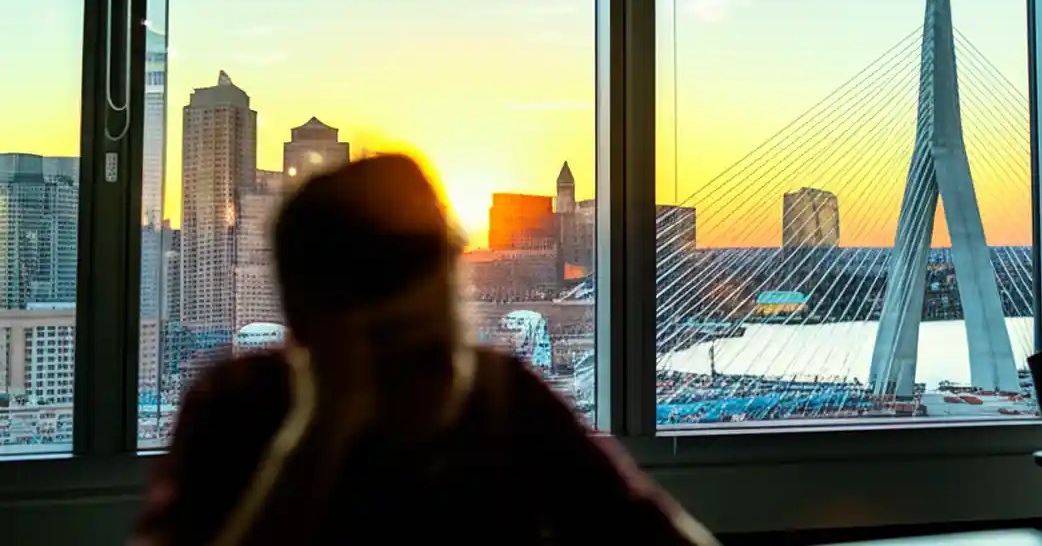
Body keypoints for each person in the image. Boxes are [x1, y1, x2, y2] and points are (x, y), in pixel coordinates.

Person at [135, 155, 718, 546]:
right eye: (397, 344)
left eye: (439, 337)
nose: (431, 373)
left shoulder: (501, 397)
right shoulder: (236, 408)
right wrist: (318, 435)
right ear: (307, 328)